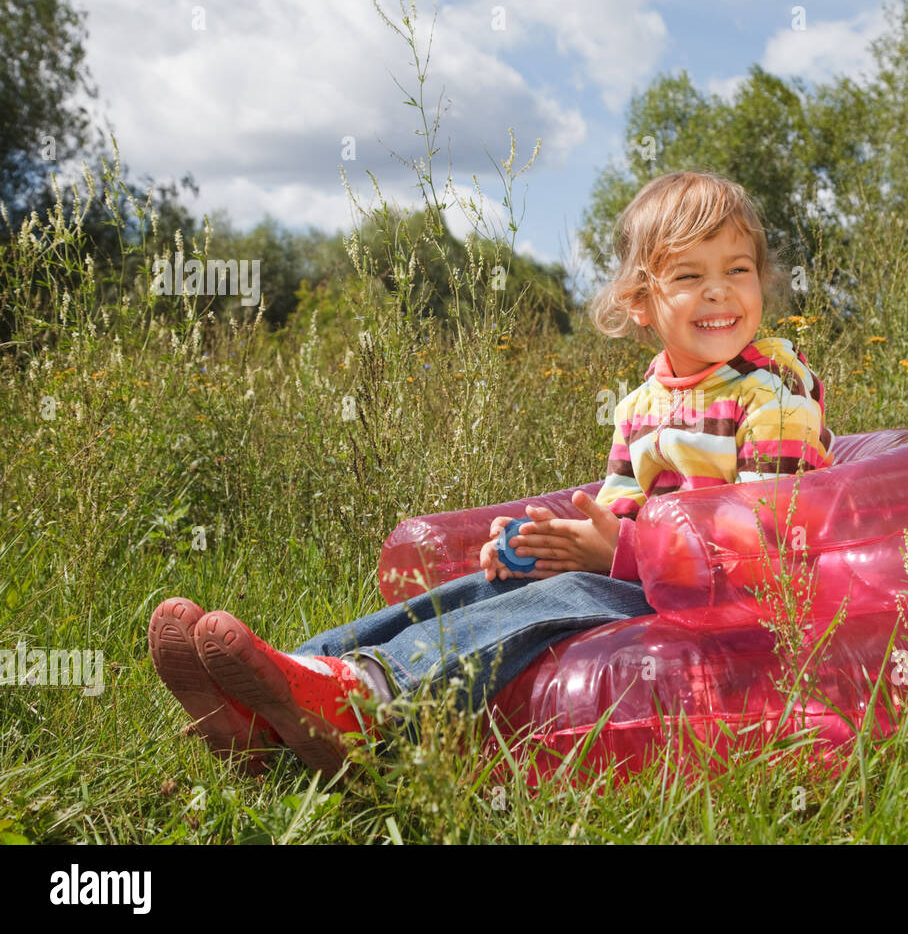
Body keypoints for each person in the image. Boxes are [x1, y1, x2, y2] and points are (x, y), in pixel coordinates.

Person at [148, 170, 836, 776]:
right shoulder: (643, 404)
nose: (720, 293)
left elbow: (766, 541)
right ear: (639, 303)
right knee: (482, 588)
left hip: (724, 602)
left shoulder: (773, 391)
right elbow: (623, 508)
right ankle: (278, 684)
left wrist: (619, 555)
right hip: (651, 575)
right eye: (690, 277)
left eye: (738, 270)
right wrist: (547, 546)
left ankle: (367, 698)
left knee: (556, 603)